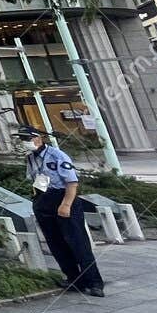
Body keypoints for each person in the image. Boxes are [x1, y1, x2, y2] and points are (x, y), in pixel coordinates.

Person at [17, 126, 104, 297]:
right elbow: (36, 180)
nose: (24, 143)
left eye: (27, 139)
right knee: (56, 243)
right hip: (43, 200)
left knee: (78, 243)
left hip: (63, 199)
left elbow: (71, 182)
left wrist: (66, 205)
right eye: (22, 139)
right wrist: (37, 200)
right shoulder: (30, 158)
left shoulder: (57, 155)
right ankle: (73, 278)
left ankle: (94, 282)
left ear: (39, 138)